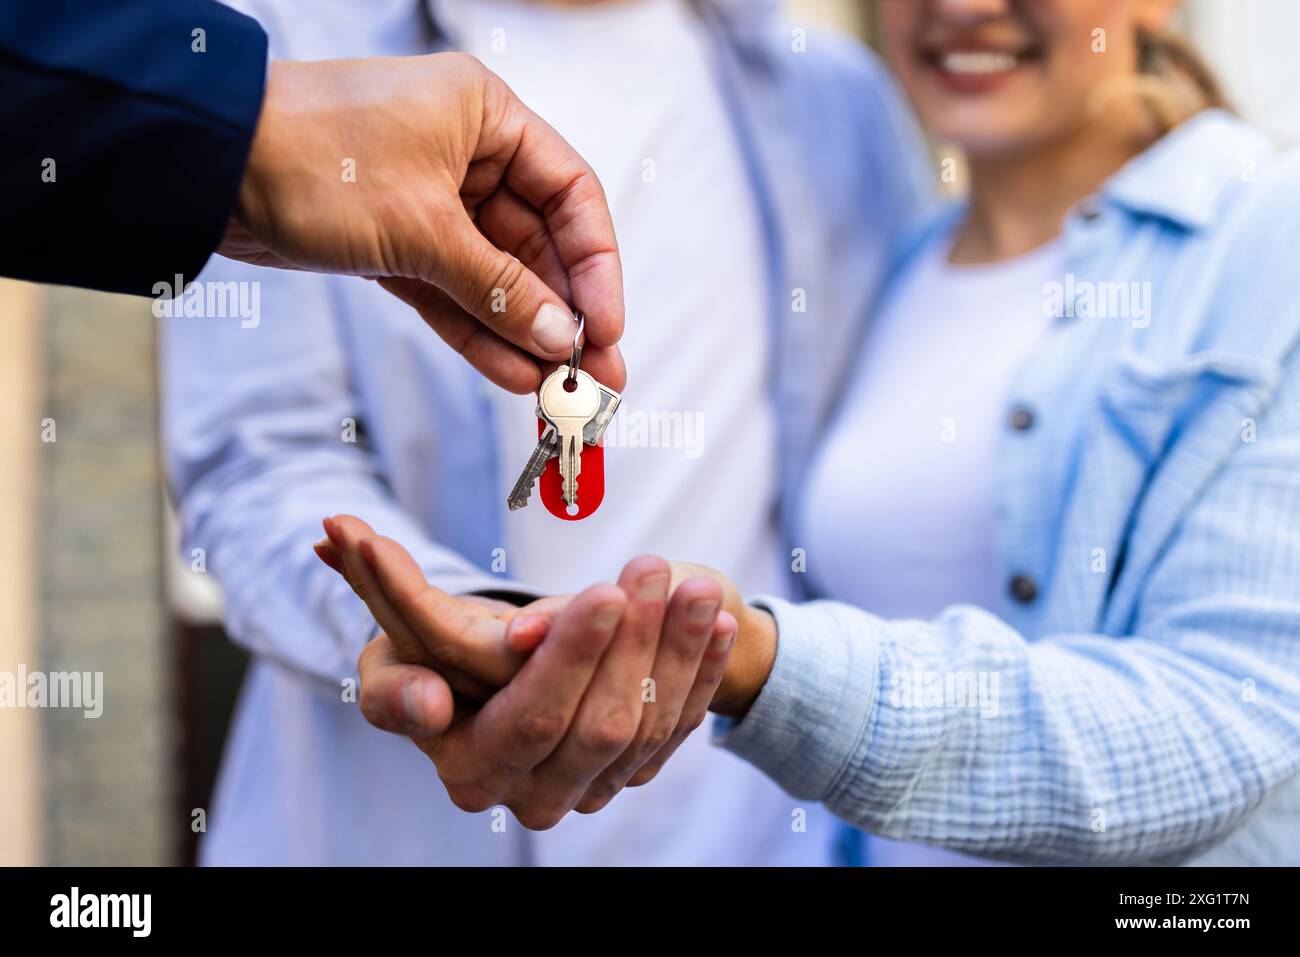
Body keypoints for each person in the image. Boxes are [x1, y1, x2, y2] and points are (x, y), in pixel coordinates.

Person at [337, 0, 1300, 865]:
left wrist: (752, 662)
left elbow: (1225, 720)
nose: (963, 8)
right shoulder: (899, 262)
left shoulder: (1266, 237)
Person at [162, 0, 931, 865]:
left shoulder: (836, 100)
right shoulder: (286, 61)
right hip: (388, 833)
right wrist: (442, 627)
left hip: (747, 832)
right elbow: (256, 458)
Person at [3, 0, 623, 390]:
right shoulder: (285, 30)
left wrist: (244, 127)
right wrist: (254, 127)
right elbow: (260, 445)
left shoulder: (716, 42)